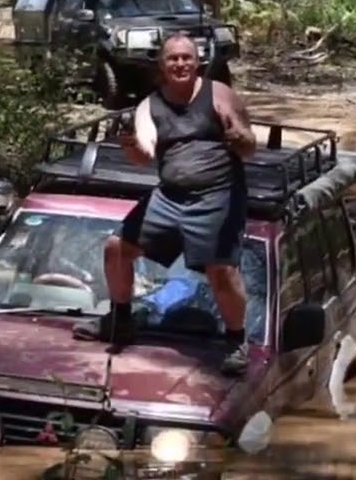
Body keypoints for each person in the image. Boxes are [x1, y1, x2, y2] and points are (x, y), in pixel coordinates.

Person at [95, 33, 257, 376]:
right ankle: (120, 320)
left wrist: (239, 137)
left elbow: (249, 146)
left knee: (221, 269)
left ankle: (236, 340)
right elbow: (146, 152)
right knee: (116, 248)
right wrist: (133, 149)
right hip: (169, 196)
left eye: (187, 58)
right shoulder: (148, 105)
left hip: (218, 193)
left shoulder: (219, 94)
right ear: (162, 66)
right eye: (173, 59)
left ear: (197, 62)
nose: (180, 64)